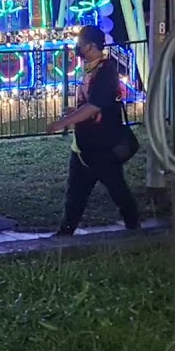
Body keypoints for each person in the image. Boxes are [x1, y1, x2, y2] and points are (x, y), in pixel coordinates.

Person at [45, 25, 141, 236]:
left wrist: (62, 123)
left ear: (90, 46)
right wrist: (75, 111)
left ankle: (133, 226)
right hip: (84, 144)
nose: (77, 48)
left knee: (116, 188)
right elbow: (91, 104)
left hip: (101, 145)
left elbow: (94, 107)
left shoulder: (105, 72)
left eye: (80, 44)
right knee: (76, 192)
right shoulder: (92, 69)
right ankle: (65, 231)